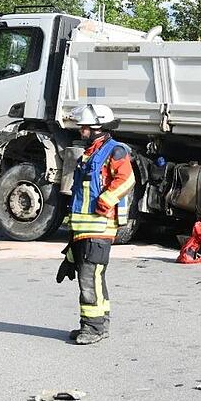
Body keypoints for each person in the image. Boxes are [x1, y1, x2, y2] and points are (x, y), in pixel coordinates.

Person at [58, 104, 134, 345]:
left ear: (98, 128)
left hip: (100, 228)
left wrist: (106, 201)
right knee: (93, 278)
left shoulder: (115, 151)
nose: (81, 130)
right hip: (84, 230)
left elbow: (127, 179)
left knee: (90, 278)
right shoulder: (90, 153)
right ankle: (99, 324)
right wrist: (70, 253)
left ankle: (93, 327)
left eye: (85, 127)